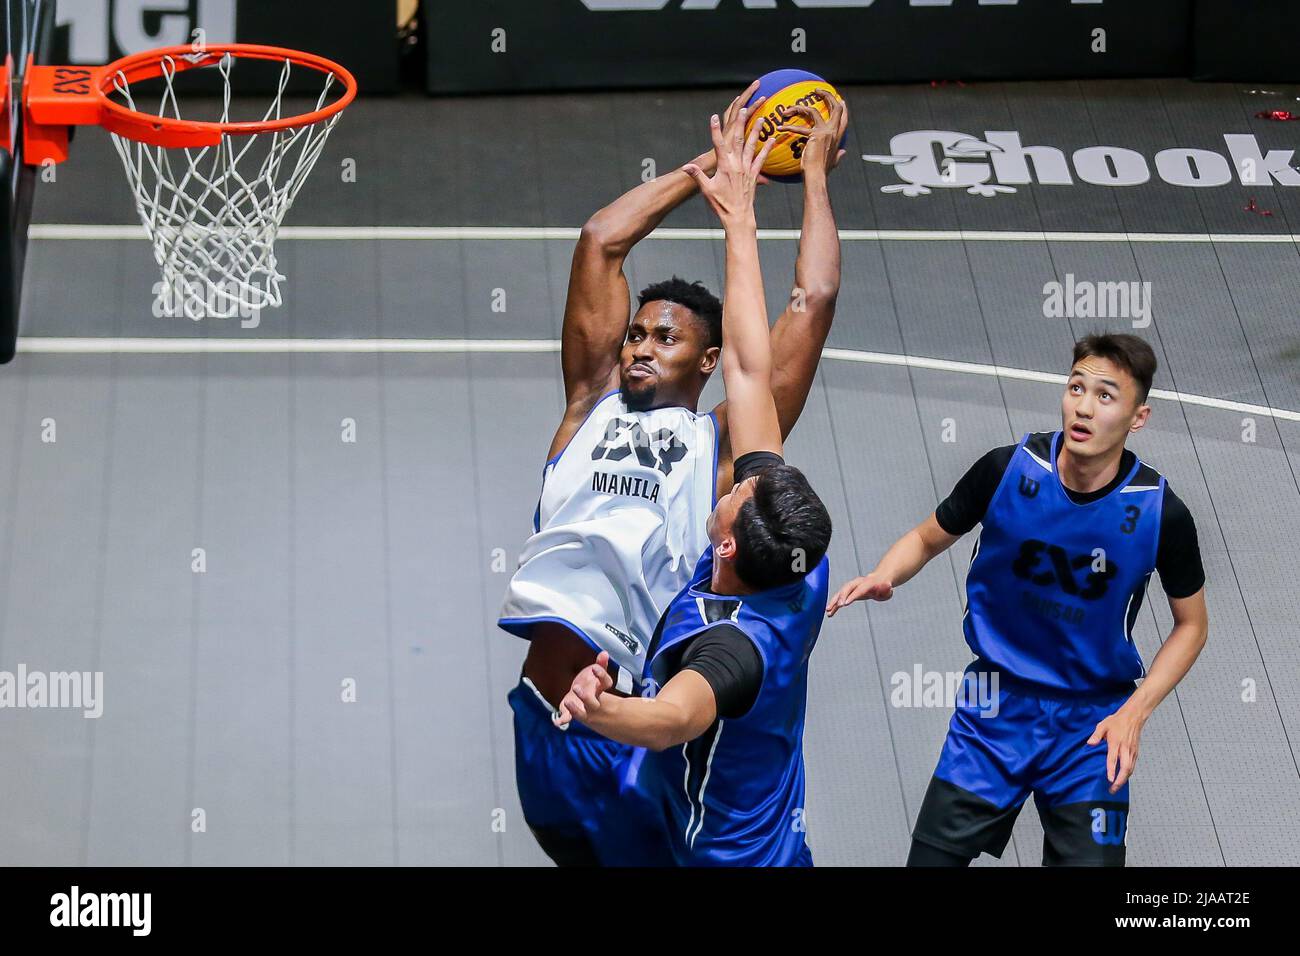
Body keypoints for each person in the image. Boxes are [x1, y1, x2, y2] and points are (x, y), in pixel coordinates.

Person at [499, 82, 848, 866]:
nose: (642, 346)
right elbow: (600, 241)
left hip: (634, 733)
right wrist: (712, 170)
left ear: (712, 362)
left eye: (667, 337)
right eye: (636, 334)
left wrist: (812, 174)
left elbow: (812, 300)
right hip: (547, 723)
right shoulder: (587, 405)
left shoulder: (723, 449)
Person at [827, 333, 1209, 866]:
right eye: (1077, 387)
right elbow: (927, 537)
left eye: (1105, 396)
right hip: (994, 709)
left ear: (1138, 416)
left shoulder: (1159, 513)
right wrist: (886, 573)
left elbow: (1191, 624)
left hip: (1092, 726)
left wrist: (1135, 713)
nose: (1083, 406)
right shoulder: (1008, 469)